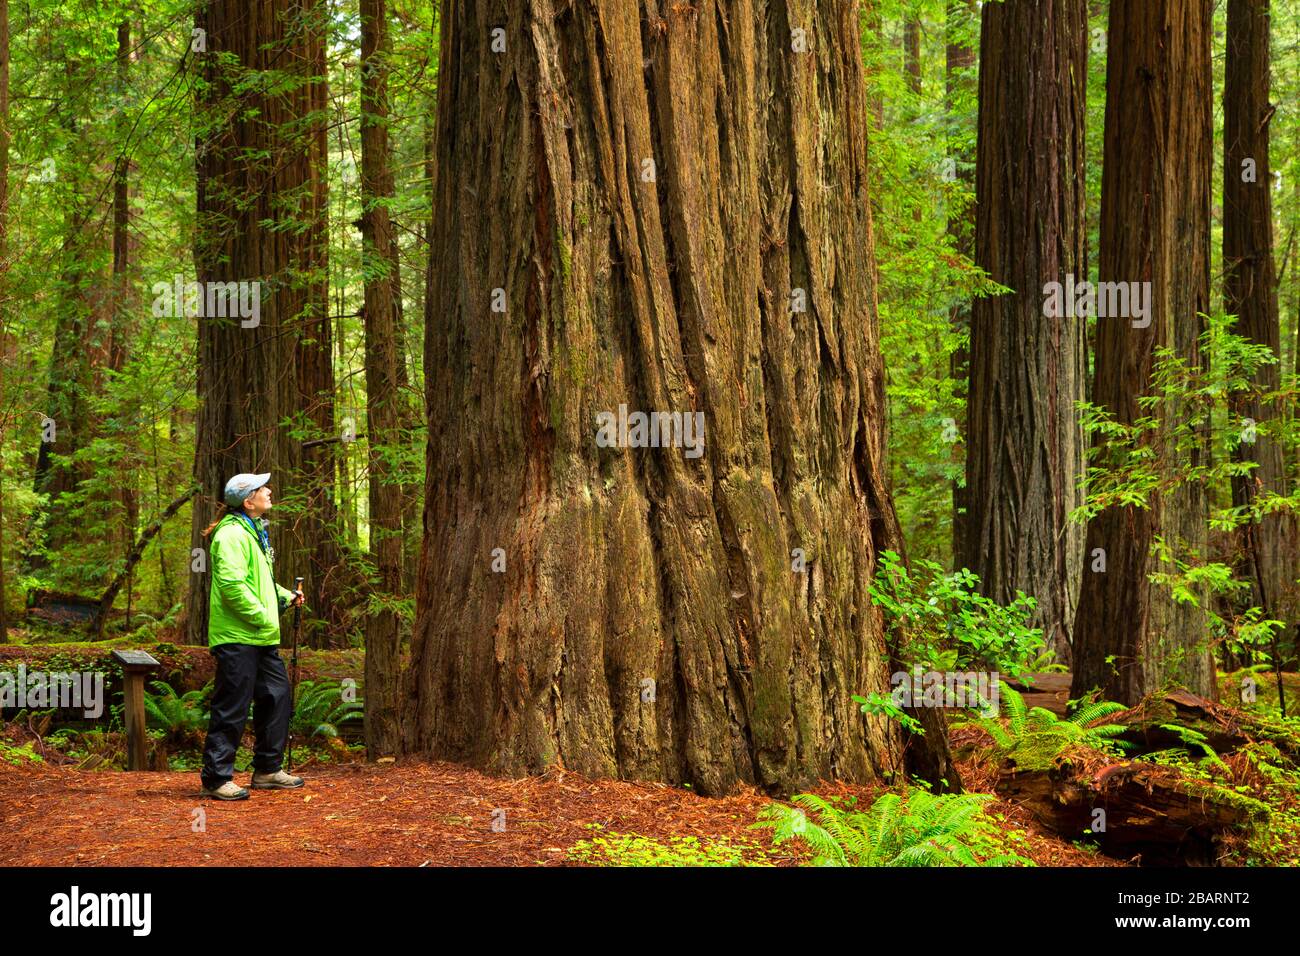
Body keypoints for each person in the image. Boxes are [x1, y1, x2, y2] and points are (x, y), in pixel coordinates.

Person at [198, 472, 307, 800]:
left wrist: (285, 596)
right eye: (262, 489)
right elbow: (232, 586)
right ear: (248, 501)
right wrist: (263, 616)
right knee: (233, 704)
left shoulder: (252, 532)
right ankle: (217, 778)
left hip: (259, 636)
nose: (269, 491)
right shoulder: (231, 535)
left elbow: (257, 583)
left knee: (276, 695)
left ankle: (267, 769)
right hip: (238, 636)